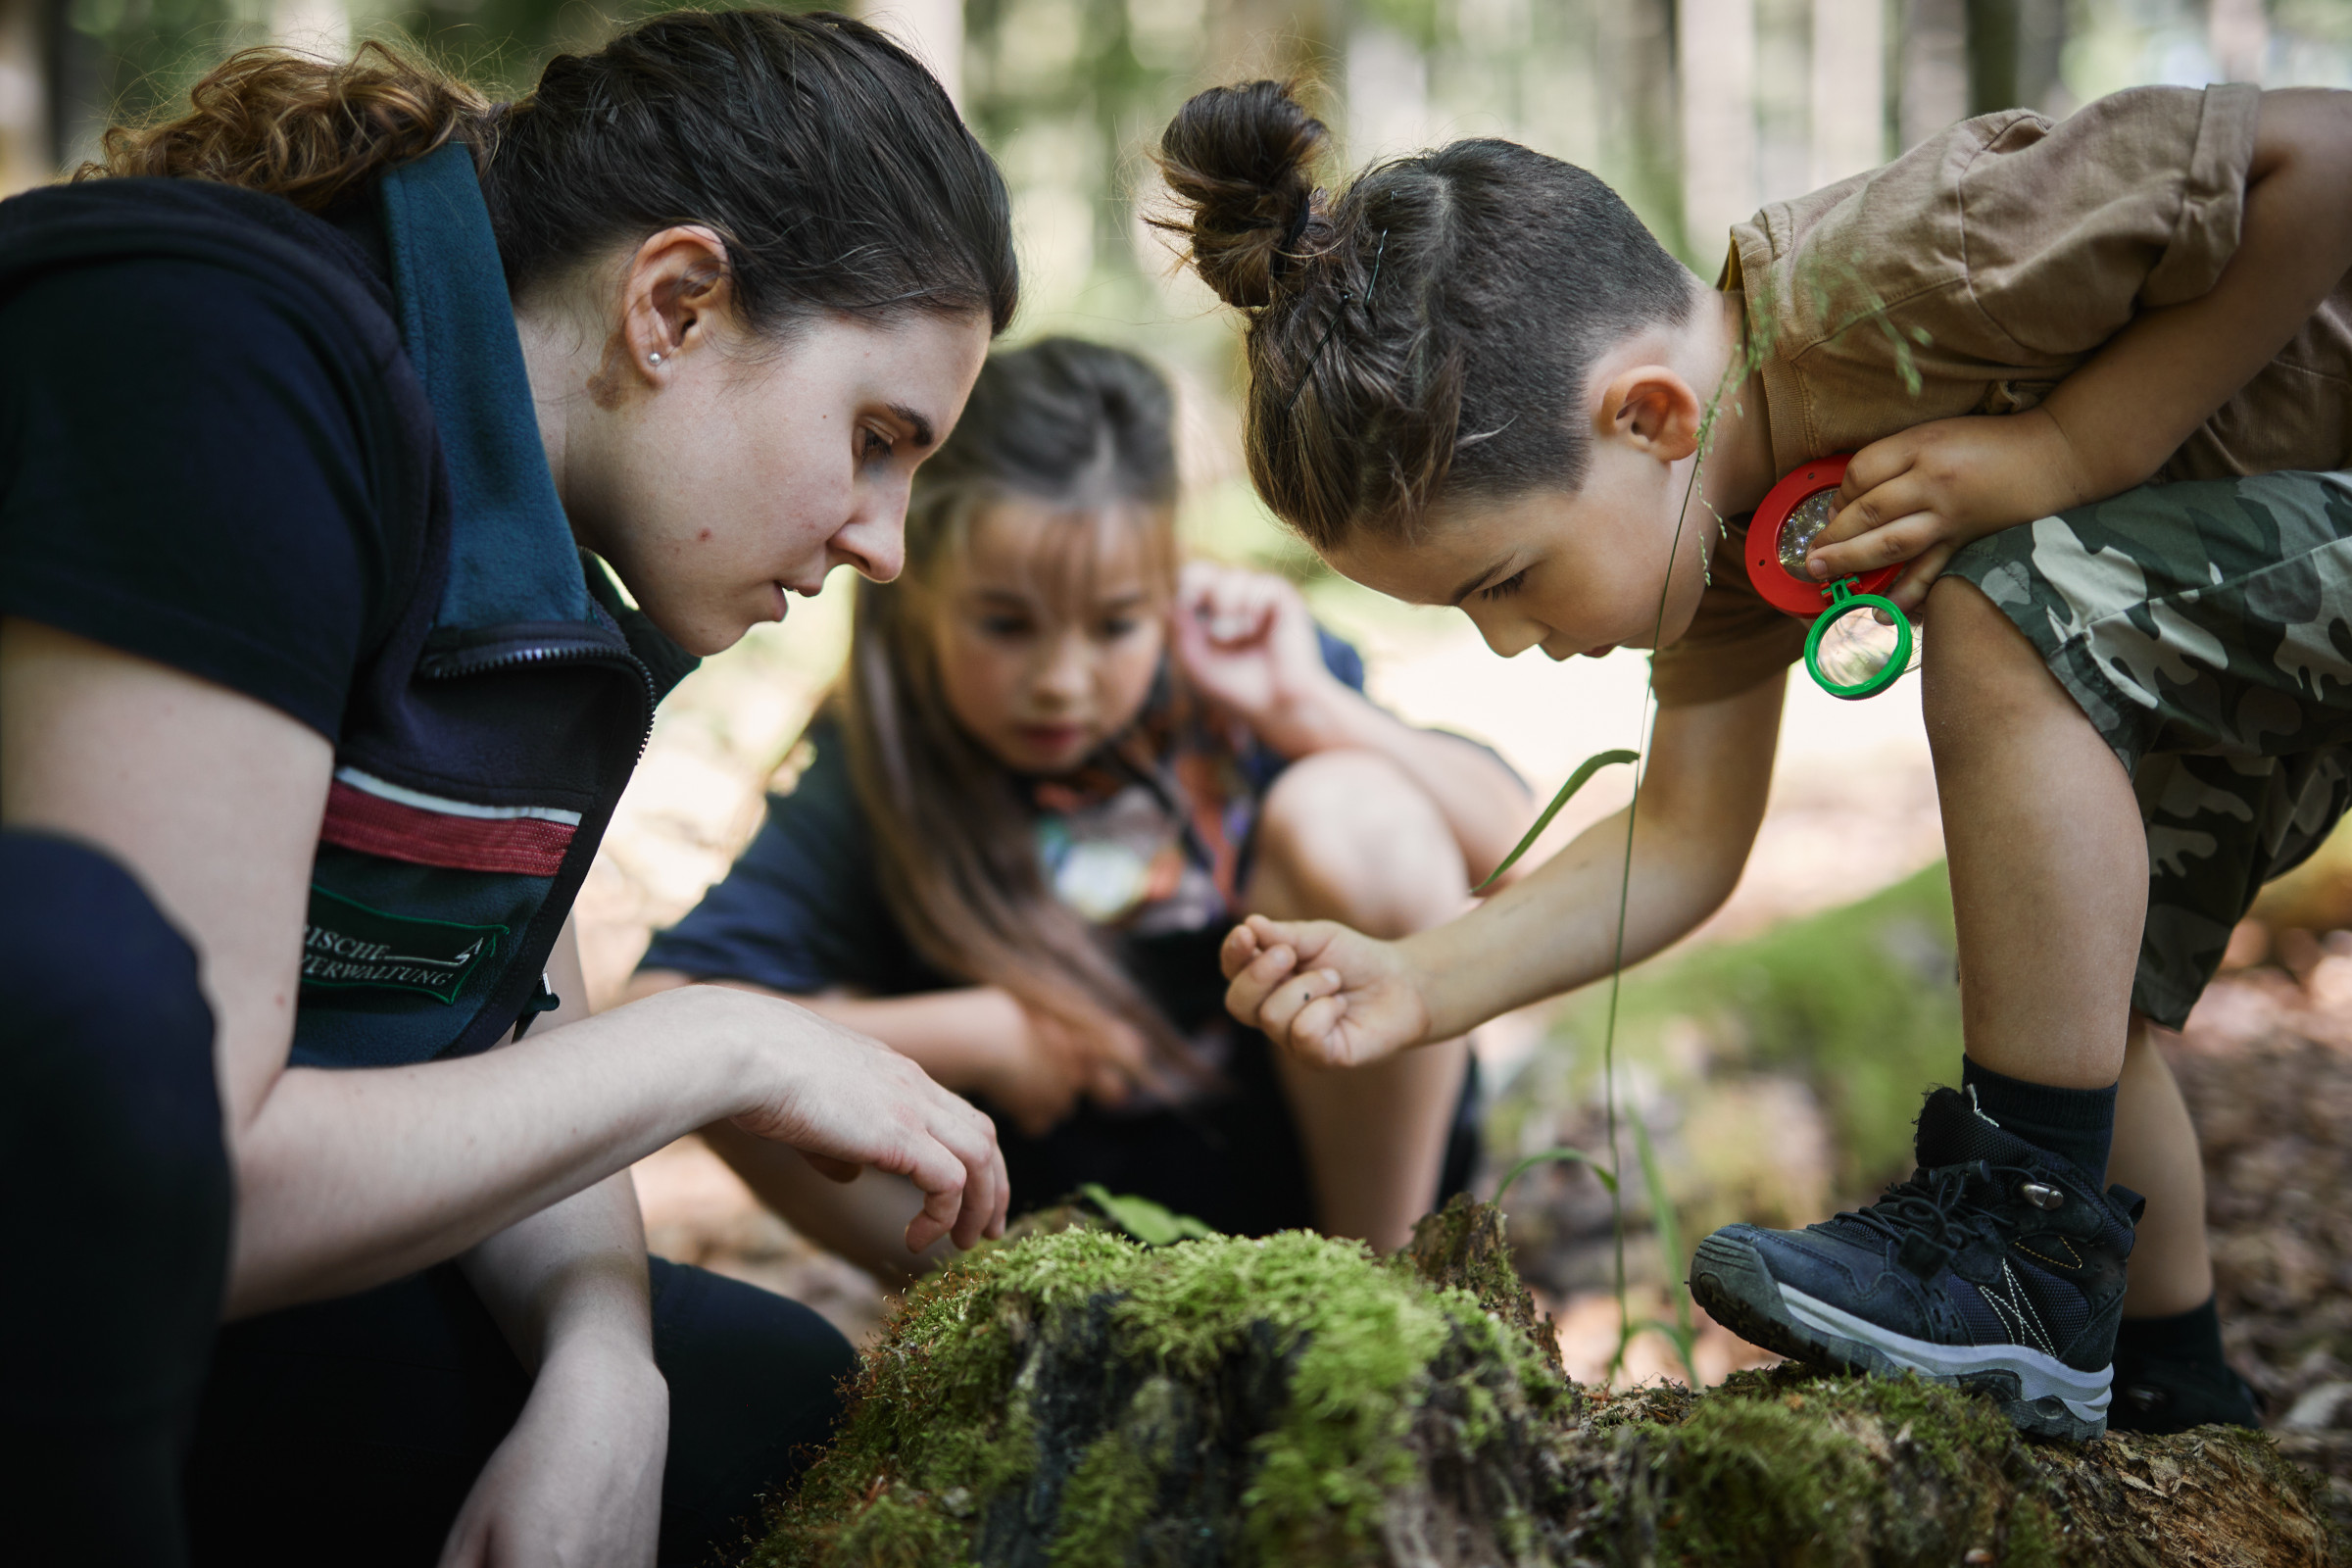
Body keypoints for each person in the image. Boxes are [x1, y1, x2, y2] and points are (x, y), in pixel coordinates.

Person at [1154, 77, 2352, 1439]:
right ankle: (2172, 1386)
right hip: (2271, 591)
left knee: (2000, 597)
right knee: (2066, 983)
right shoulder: (1715, 532)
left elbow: (2324, 154)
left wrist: (2072, 448)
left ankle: (2017, 1256)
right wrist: (1419, 976)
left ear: (1651, 417)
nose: (1504, 644)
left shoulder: (1911, 264)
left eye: (1506, 578)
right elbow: (1681, 842)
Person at [0, 13, 1018, 1565]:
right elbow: (150, 1180)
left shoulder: (529, 550)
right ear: (673, 304)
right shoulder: (222, 359)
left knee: (758, 1403)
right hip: (80, 1269)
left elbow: (494, 1012)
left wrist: (600, 1363)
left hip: (175, 1287)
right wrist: (719, 1043)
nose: (882, 541)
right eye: (874, 439)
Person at [628, 336, 1530, 1268]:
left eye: (1114, 623)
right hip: (1072, 1241)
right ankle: (997, 1327)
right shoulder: (881, 767)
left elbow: (1519, 854)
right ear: (922, 589)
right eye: (1008, 624)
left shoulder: (1243, 686)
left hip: (1328, 1191)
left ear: (1168, 585)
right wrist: (984, 1034)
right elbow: (661, 1017)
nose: (1061, 681)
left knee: (1355, 815)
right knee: (731, 1078)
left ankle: (1376, 1309)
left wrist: (1306, 704)